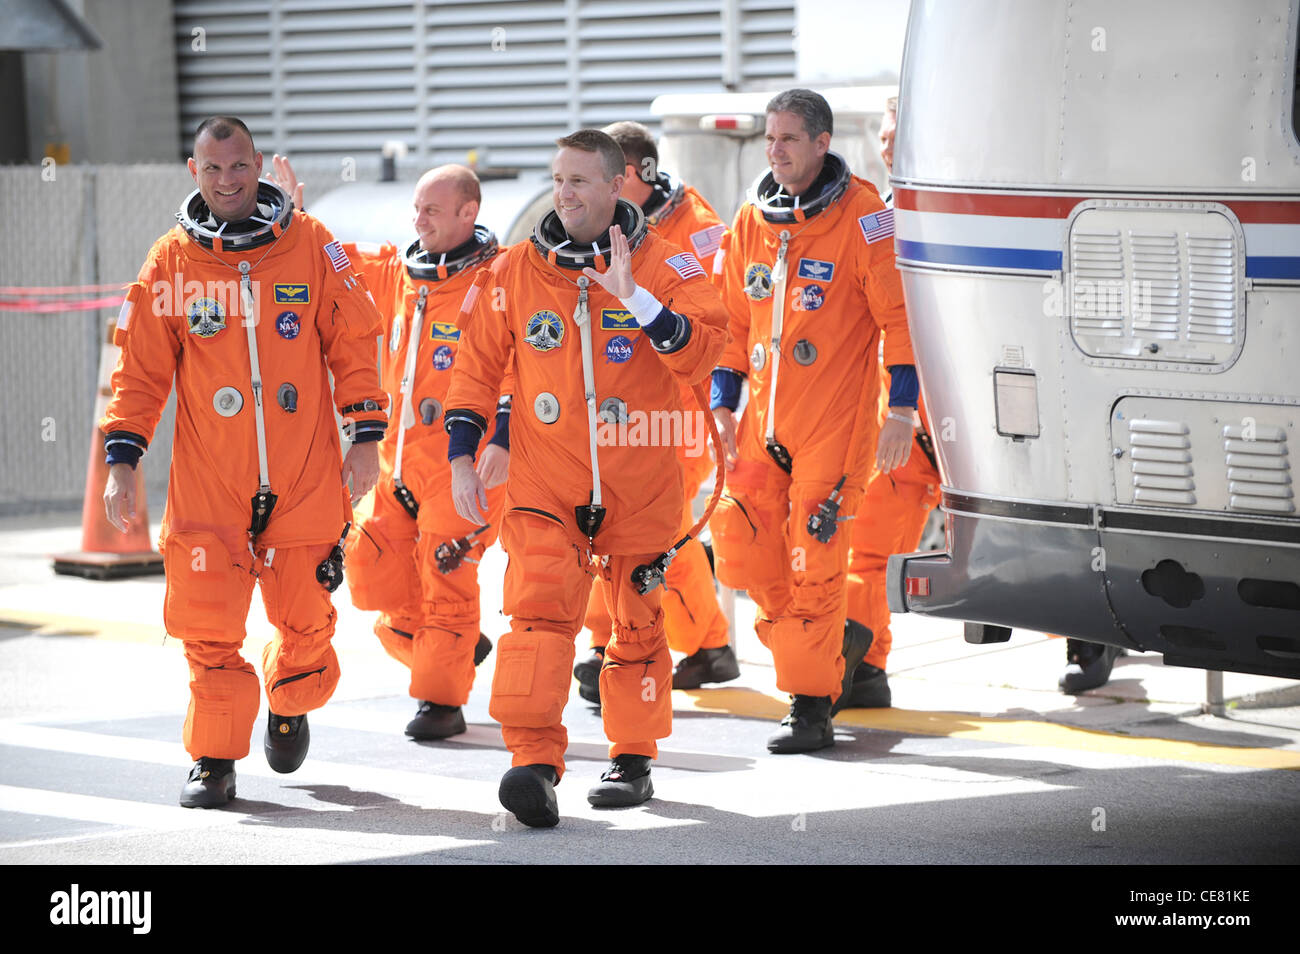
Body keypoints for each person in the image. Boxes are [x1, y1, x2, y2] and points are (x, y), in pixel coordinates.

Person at [102, 117, 388, 808]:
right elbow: (140, 369)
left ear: (258, 164)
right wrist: (123, 459)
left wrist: (367, 436)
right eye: (212, 169)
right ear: (193, 174)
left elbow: (354, 340)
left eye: (238, 166)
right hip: (210, 480)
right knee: (205, 626)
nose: (227, 181)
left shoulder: (310, 244)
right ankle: (214, 758)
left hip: (304, 475)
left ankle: (289, 699)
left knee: (308, 623)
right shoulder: (173, 260)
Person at [446, 129, 728, 826]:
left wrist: (635, 298)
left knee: (634, 624)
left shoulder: (667, 265)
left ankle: (632, 759)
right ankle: (533, 764)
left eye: (578, 181)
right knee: (537, 617)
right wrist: (461, 453)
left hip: (641, 480)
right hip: (547, 485)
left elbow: (704, 352)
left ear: (615, 186)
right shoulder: (514, 270)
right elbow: (476, 369)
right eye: (558, 180)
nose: (564, 193)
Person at [271, 159, 512, 739]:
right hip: (395, 463)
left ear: (468, 212)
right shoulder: (399, 273)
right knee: (369, 568)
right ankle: (450, 649)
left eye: (431, 209)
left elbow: (520, 369)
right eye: (416, 209)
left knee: (446, 583)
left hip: (462, 466)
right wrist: (295, 220)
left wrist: (501, 440)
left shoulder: (500, 281)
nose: (418, 219)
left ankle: (441, 702)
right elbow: (332, 264)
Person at [709, 88, 917, 753]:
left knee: (817, 564)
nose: (776, 151)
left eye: (789, 140)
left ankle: (809, 707)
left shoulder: (863, 219)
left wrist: (902, 412)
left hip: (836, 423)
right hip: (762, 426)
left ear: (823, 143)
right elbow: (732, 325)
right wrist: (721, 404)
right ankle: (832, 650)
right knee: (740, 549)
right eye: (769, 139)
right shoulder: (752, 220)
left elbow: (899, 322)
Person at [572, 121, 735, 704]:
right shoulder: (609, 231)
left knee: (657, 530)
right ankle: (690, 644)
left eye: (611, 180)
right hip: (622, 401)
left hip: (681, 401)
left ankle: (644, 643)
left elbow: (723, 326)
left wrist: (723, 404)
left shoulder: (700, 231)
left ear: (637, 175)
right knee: (612, 516)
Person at [840, 96, 942, 709]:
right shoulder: (878, 216)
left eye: (899, 135)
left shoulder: (957, 212)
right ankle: (864, 667)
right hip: (901, 413)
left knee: (1041, 546)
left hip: (955, 412)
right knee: (869, 548)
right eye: (883, 135)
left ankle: (1085, 643)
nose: (887, 145)